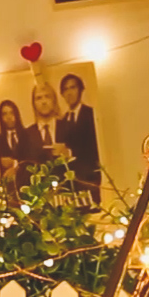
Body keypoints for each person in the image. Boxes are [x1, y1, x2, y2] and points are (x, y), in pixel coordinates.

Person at [56, 74, 102, 206]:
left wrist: (70, 152)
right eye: (65, 89)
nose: (69, 93)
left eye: (73, 88)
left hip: (90, 177)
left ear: (81, 90)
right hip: (71, 182)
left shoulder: (91, 114)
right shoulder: (62, 121)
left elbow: (95, 146)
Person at [18, 80, 73, 180]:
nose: (43, 102)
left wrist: (68, 153)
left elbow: (85, 160)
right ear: (34, 103)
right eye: (39, 98)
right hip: (39, 188)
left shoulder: (69, 127)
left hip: (67, 186)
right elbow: (23, 169)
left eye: (47, 96)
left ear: (54, 100)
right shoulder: (26, 135)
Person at [0, 99, 26, 198]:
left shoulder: (27, 135)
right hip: (10, 188)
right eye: (5, 114)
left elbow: (31, 157)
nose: (9, 117)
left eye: (11, 113)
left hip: (27, 183)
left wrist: (14, 164)